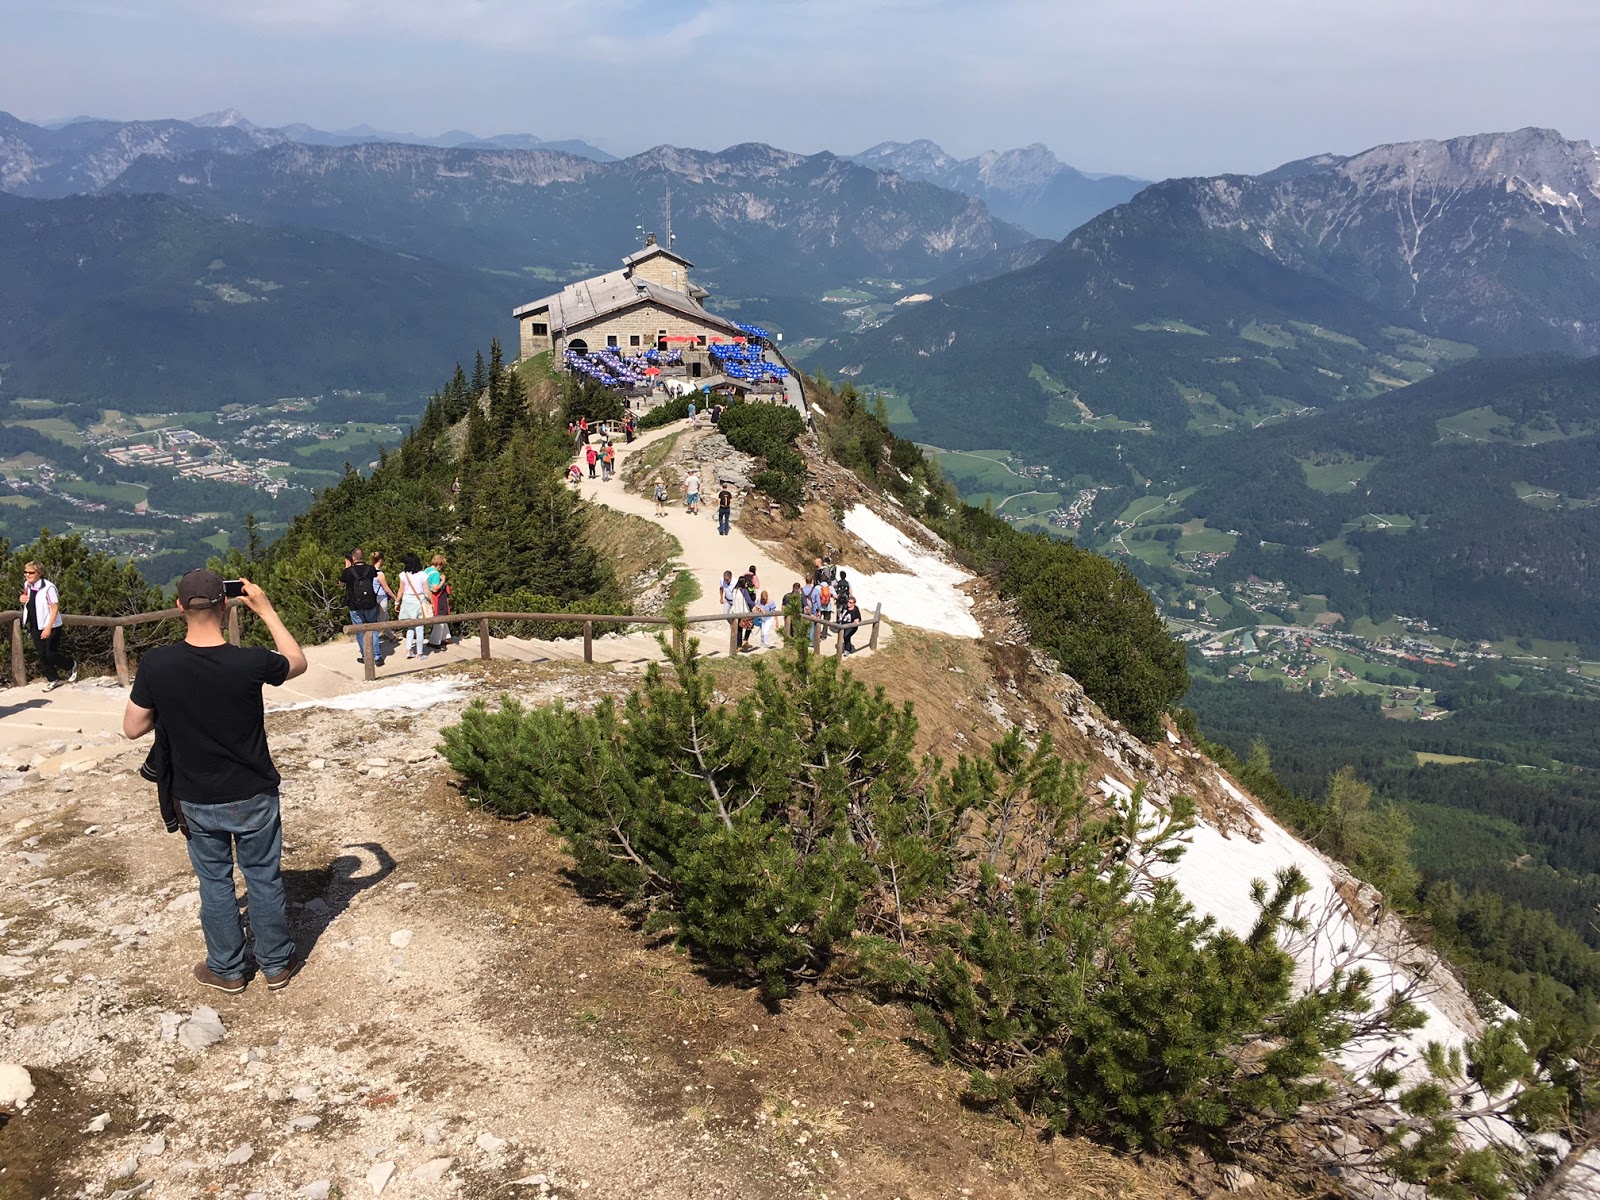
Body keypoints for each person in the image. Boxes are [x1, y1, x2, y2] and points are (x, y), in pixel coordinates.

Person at [122, 570, 307, 994]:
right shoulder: (251, 661)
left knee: (215, 882)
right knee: (262, 877)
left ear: (180, 607)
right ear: (225, 605)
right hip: (253, 791)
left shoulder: (157, 664)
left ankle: (227, 969)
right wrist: (266, 610)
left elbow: (133, 728)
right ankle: (276, 965)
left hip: (195, 796)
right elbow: (297, 661)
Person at [19, 561, 77, 691]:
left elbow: (54, 609)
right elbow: (27, 598)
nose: (27, 575)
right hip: (35, 624)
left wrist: (48, 628)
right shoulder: (27, 585)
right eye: (25, 572)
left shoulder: (48, 588)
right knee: (41, 654)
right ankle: (52, 679)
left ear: (39, 573)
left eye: (31, 572)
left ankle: (70, 665)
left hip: (51, 625)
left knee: (50, 654)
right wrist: (22, 598)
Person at [340, 548, 385, 668]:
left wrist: (347, 567)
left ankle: (365, 656)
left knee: (360, 631)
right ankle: (377, 656)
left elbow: (341, 584)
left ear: (353, 558)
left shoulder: (348, 571)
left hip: (355, 605)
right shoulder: (370, 569)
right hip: (370, 603)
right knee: (373, 629)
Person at [396, 553, 431, 659]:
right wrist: (431, 602)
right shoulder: (423, 575)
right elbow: (427, 591)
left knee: (410, 626)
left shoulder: (403, 575)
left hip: (407, 600)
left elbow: (401, 590)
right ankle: (420, 653)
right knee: (420, 628)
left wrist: (397, 602)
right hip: (419, 600)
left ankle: (408, 650)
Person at [426, 554, 451, 650]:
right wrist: (443, 581)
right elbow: (435, 588)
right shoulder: (436, 574)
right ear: (439, 564)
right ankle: (435, 641)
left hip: (429, 596)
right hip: (438, 597)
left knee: (442, 617)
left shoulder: (427, 570)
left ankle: (445, 636)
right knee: (440, 617)